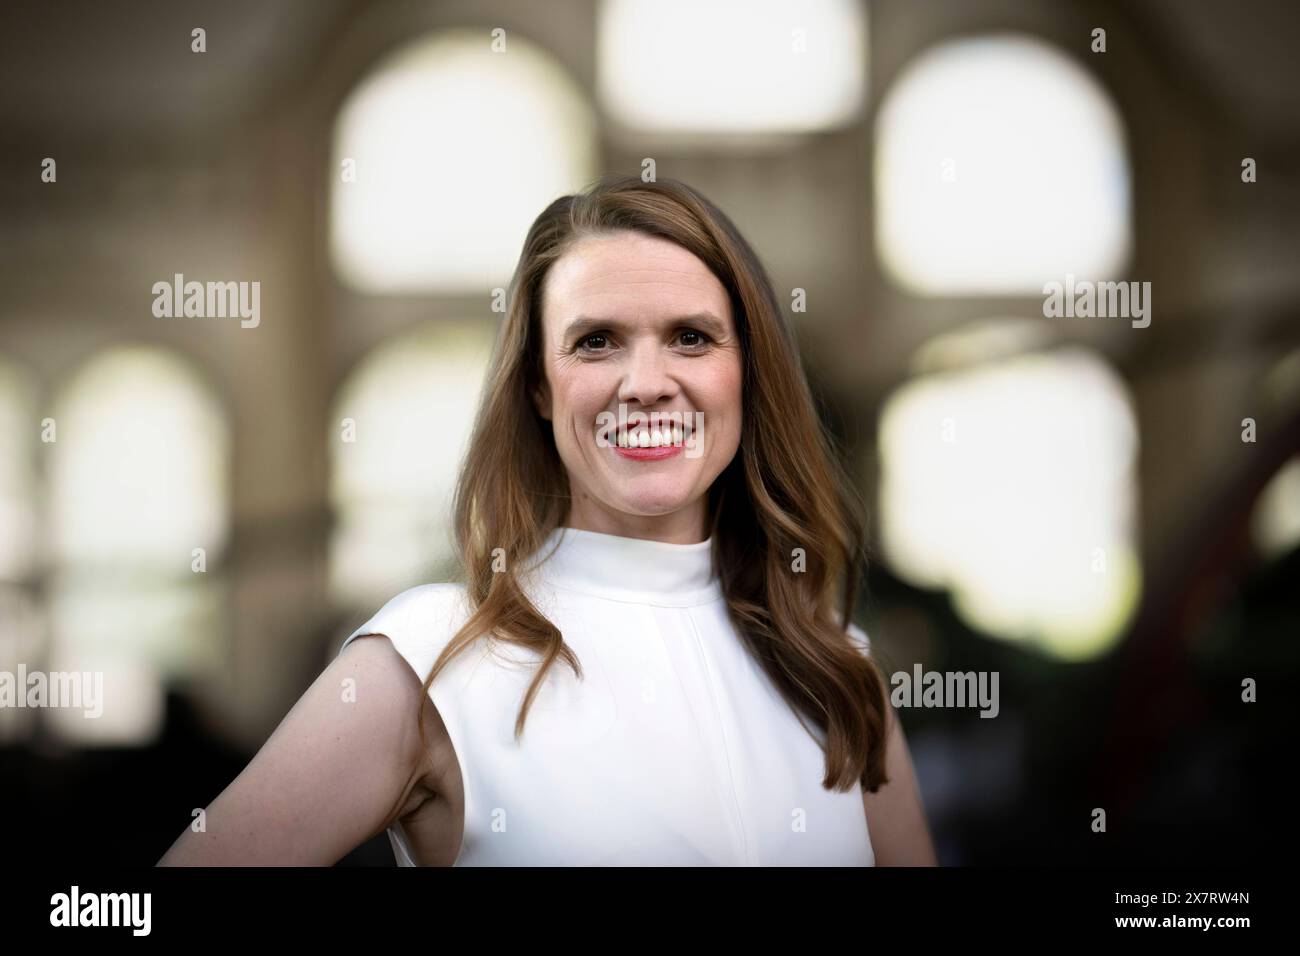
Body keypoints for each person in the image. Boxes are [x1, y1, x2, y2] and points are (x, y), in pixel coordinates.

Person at [158, 174, 937, 866]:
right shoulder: (427, 660)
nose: (646, 383)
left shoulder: (835, 668)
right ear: (538, 387)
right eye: (596, 342)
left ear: (747, 371)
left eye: (691, 338)